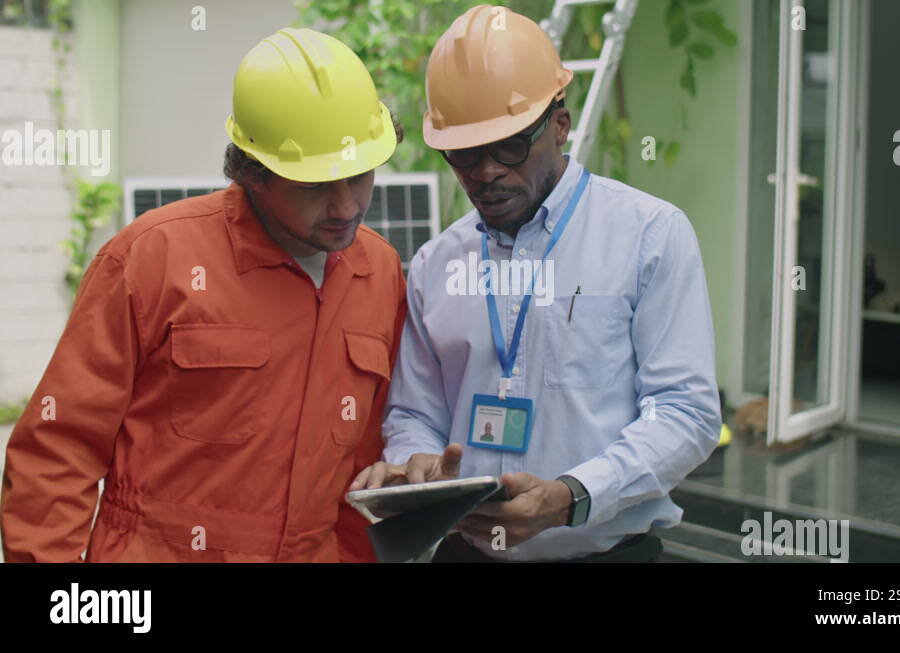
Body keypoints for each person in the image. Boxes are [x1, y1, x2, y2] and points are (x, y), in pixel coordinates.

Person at [1, 28, 405, 562]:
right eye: (314, 186)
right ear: (252, 174)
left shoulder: (380, 272)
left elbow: (367, 474)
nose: (346, 206)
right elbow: (57, 449)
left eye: (359, 177)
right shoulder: (152, 257)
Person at [350, 6, 721, 563]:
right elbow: (414, 413)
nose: (487, 171)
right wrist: (416, 462)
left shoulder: (649, 237)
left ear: (560, 125)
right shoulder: (435, 264)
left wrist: (571, 496)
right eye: (464, 154)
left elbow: (685, 413)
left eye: (510, 146)